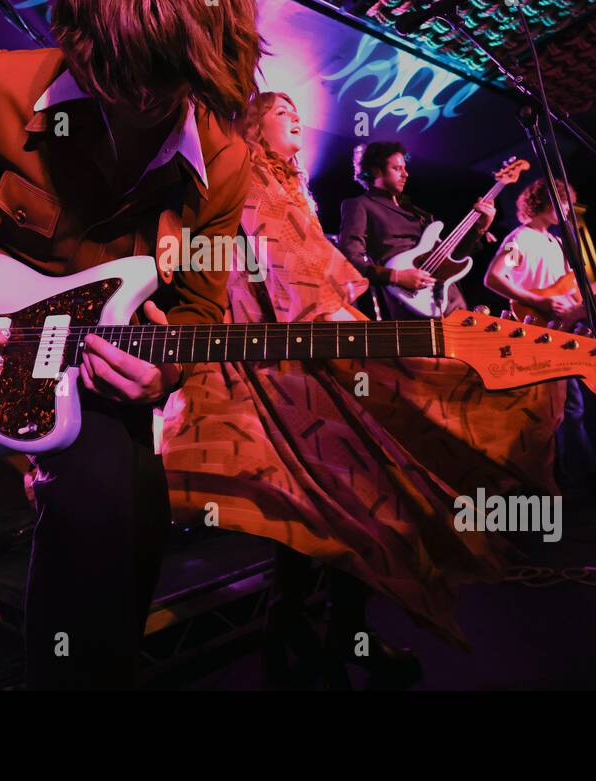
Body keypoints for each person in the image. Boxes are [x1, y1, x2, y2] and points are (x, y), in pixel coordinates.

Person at [0, 0, 263, 688]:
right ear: (81, 38)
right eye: (122, 76)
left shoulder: (226, 162)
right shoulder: (5, 88)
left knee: (127, 511)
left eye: (163, 83)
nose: (139, 104)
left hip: (97, 375)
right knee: (106, 505)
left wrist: (166, 368)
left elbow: (198, 308)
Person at [161, 92, 566, 687]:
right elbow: (278, 271)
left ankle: (321, 634)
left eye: (298, 110)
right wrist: (335, 316)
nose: (295, 116)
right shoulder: (249, 180)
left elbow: (315, 264)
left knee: (347, 494)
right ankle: (310, 637)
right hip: (288, 356)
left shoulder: (294, 189)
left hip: (319, 345)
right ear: (253, 123)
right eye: (280, 111)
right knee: (328, 490)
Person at [483, 179, 596, 496]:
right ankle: (586, 481)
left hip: (569, 331)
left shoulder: (556, 243)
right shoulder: (521, 239)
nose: (569, 209)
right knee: (572, 409)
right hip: (543, 334)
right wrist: (540, 301)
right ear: (547, 201)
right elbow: (495, 277)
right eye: (565, 202)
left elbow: (570, 296)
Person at [338, 141, 496, 319]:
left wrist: (480, 227)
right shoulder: (360, 205)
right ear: (376, 171)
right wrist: (397, 277)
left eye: (404, 168)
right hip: (409, 300)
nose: (405, 174)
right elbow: (350, 257)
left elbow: (452, 257)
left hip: (447, 296)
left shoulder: (417, 212)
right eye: (397, 168)